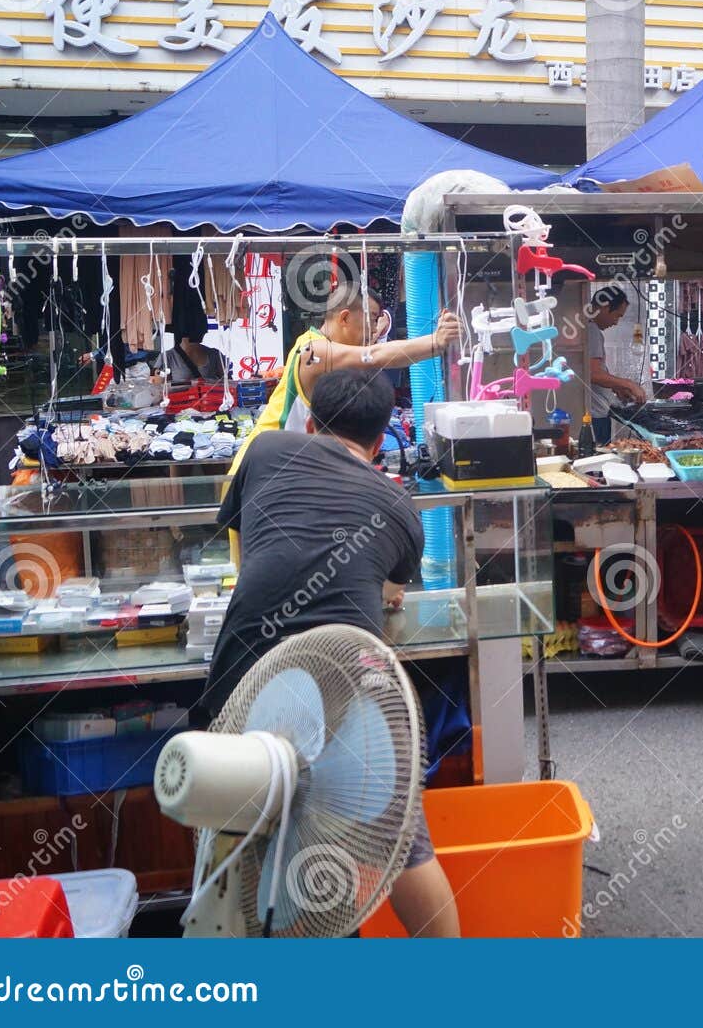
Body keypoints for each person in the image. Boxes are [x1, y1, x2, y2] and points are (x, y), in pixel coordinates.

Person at [197, 367, 459, 937]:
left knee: (249, 833)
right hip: (347, 688)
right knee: (405, 844)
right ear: (383, 436)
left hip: (244, 681)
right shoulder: (399, 506)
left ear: (311, 422)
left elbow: (249, 546)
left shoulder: (265, 450)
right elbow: (391, 590)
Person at [245, 282, 462, 454]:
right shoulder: (314, 350)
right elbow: (376, 356)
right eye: (373, 318)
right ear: (345, 318)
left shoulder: (324, 348)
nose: (375, 329)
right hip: (260, 468)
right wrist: (437, 341)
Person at [584, 285, 645, 443]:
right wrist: (629, 384)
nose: (616, 322)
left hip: (598, 414)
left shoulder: (589, 329)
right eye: (617, 316)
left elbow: (595, 371)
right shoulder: (591, 331)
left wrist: (616, 386)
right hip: (595, 418)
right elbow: (593, 374)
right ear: (605, 307)